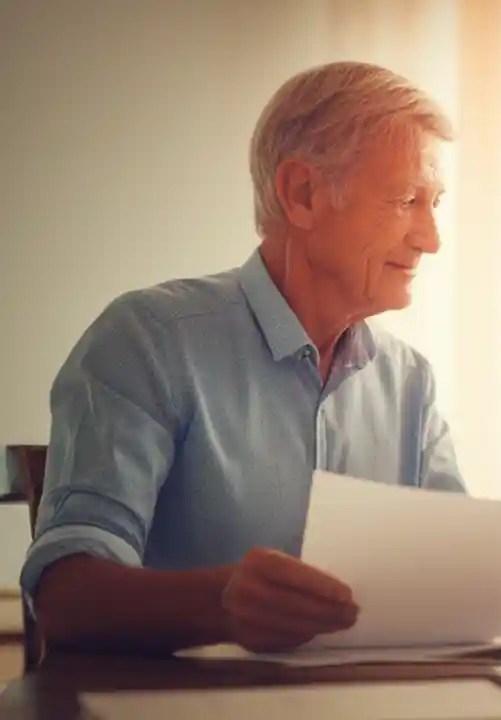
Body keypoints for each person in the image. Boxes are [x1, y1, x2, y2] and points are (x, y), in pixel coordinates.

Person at [21, 61, 464, 654]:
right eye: (408, 199)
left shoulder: (412, 383)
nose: (431, 238)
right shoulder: (149, 339)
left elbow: (461, 583)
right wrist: (218, 603)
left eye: (435, 203)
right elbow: (63, 593)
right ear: (302, 194)